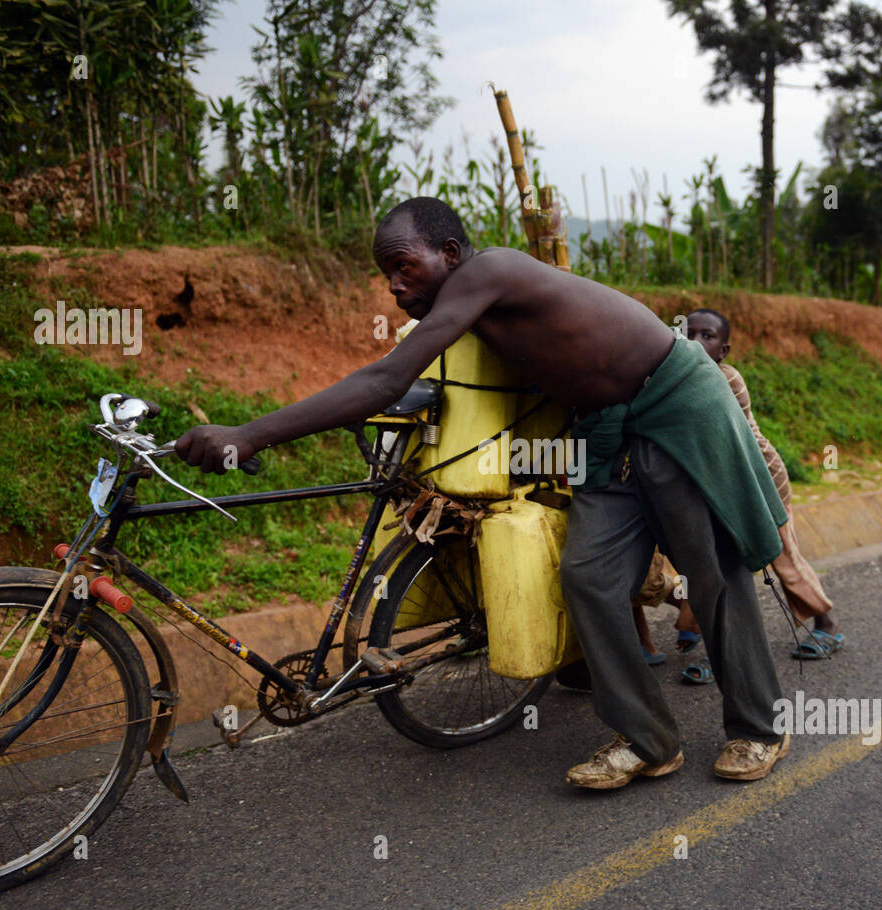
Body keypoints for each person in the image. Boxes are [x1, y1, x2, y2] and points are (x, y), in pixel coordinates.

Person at [174, 197, 792, 790]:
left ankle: (758, 727)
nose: (392, 283)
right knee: (588, 577)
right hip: (603, 431)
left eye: (403, 265)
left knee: (711, 572)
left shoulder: (489, 271)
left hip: (672, 405)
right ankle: (649, 741)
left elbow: (386, 378)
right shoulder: (467, 309)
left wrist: (249, 435)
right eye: (385, 273)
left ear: (449, 252)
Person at [683, 308, 843, 661]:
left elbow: (722, 439)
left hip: (760, 478)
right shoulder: (678, 377)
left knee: (782, 556)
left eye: (707, 336)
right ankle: (706, 639)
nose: (695, 342)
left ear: (723, 350)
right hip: (717, 485)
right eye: (688, 333)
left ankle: (826, 623)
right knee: (713, 560)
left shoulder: (725, 379)